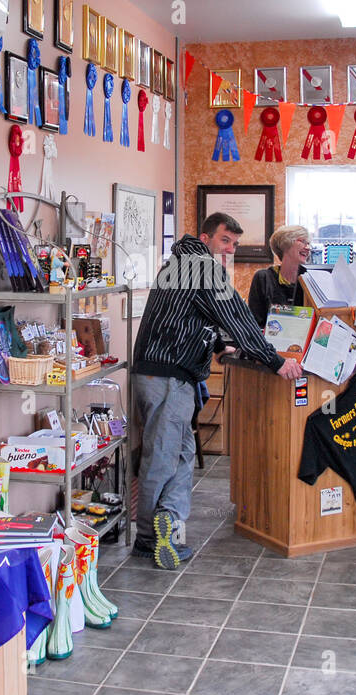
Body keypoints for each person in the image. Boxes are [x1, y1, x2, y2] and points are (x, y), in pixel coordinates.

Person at [131, 212, 303, 569]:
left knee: (180, 452)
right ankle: (148, 538)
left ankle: (169, 521)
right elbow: (238, 316)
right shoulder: (201, 267)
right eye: (225, 240)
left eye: (236, 244)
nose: (230, 249)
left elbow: (183, 318)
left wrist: (216, 345)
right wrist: (275, 362)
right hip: (167, 377)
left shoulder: (178, 263)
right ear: (206, 238)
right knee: (163, 457)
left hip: (162, 373)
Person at [248, 224, 310, 328]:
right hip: (269, 342)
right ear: (285, 243)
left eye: (308, 243)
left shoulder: (310, 279)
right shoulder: (264, 278)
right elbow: (255, 323)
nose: (308, 248)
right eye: (303, 241)